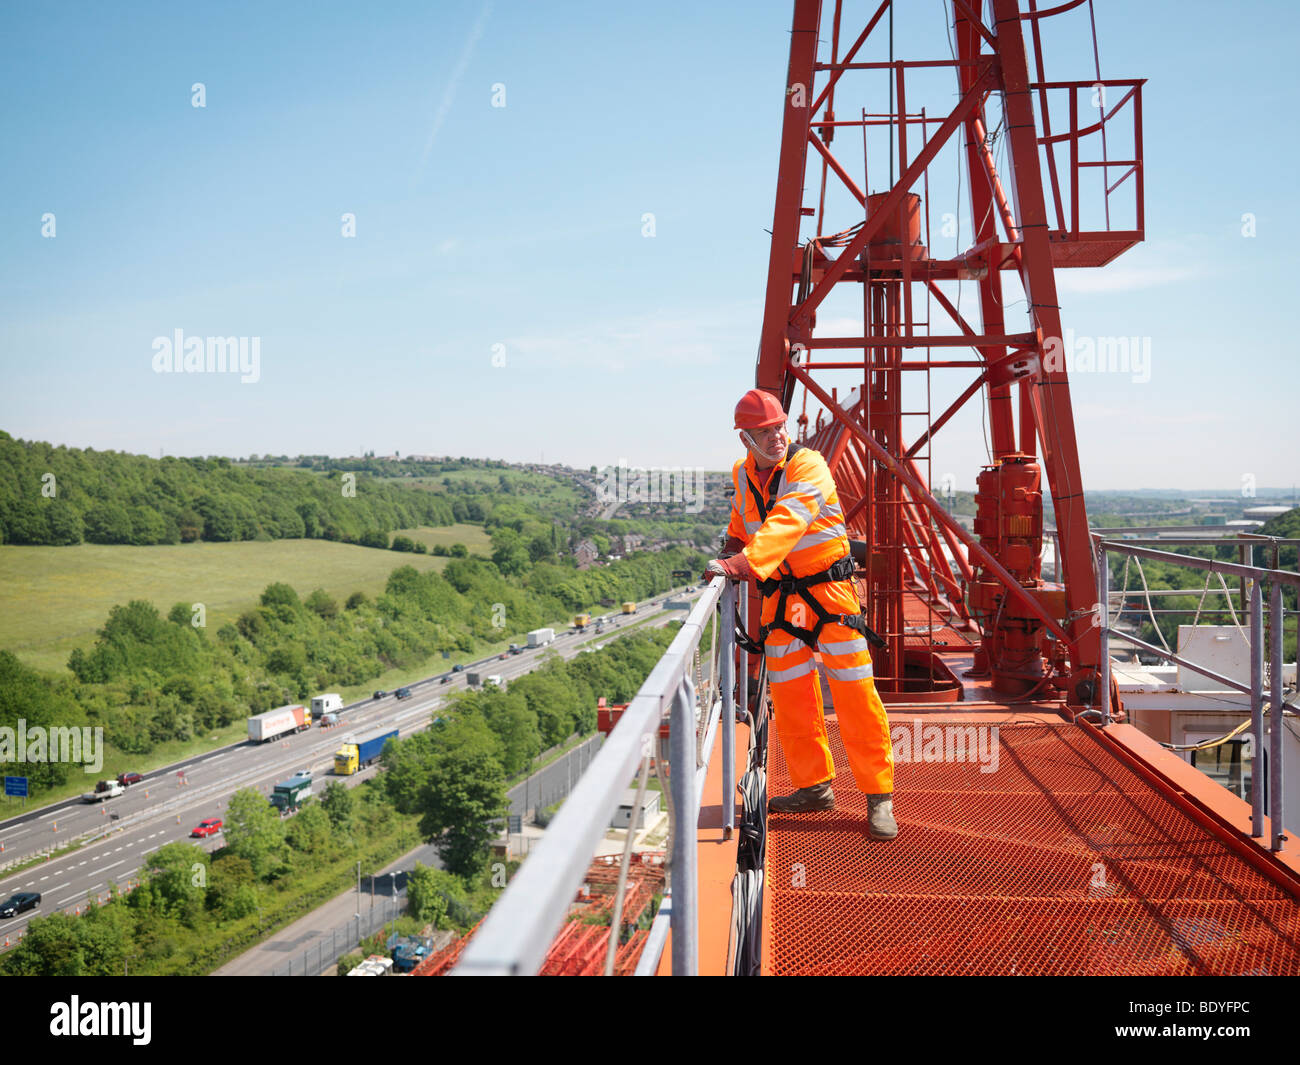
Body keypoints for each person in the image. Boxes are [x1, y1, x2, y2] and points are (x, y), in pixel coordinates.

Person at [706, 388, 897, 840]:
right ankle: (814, 788)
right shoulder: (742, 474)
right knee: (791, 700)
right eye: (764, 432)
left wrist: (739, 566)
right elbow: (742, 526)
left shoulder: (807, 465)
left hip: (830, 597)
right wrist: (729, 553)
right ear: (745, 439)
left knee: (855, 695)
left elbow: (786, 522)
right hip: (781, 602)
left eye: (778, 428)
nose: (776, 437)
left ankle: (879, 797)